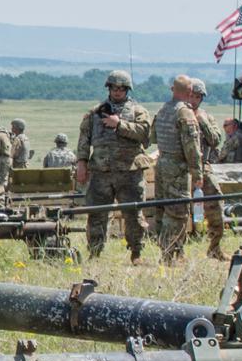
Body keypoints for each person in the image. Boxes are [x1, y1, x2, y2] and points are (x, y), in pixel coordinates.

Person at [74, 70, 152, 261]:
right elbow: (84, 140)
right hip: (101, 171)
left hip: (129, 172)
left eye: (121, 89)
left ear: (127, 89)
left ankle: (136, 252)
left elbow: (145, 134)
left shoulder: (138, 111)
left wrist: (120, 125)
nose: (117, 92)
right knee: (97, 214)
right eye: (114, 88)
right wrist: (82, 163)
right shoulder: (94, 113)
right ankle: (95, 252)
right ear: (109, 88)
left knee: (133, 214)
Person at [152, 75, 203, 263]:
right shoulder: (185, 113)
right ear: (189, 92)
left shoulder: (163, 110)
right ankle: (170, 253)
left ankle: (170, 250)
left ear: (172, 89)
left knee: (163, 208)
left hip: (162, 163)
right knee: (178, 210)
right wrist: (197, 173)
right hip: (177, 168)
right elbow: (192, 147)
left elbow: (154, 137)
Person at [186, 78, 225, 260]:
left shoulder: (206, 117)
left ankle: (214, 247)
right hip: (182, 168)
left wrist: (202, 122)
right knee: (177, 211)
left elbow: (216, 139)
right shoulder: (178, 115)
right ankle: (175, 250)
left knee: (216, 203)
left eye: (197, 97)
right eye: (191, 95)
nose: (193, 99)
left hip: (203, 167)